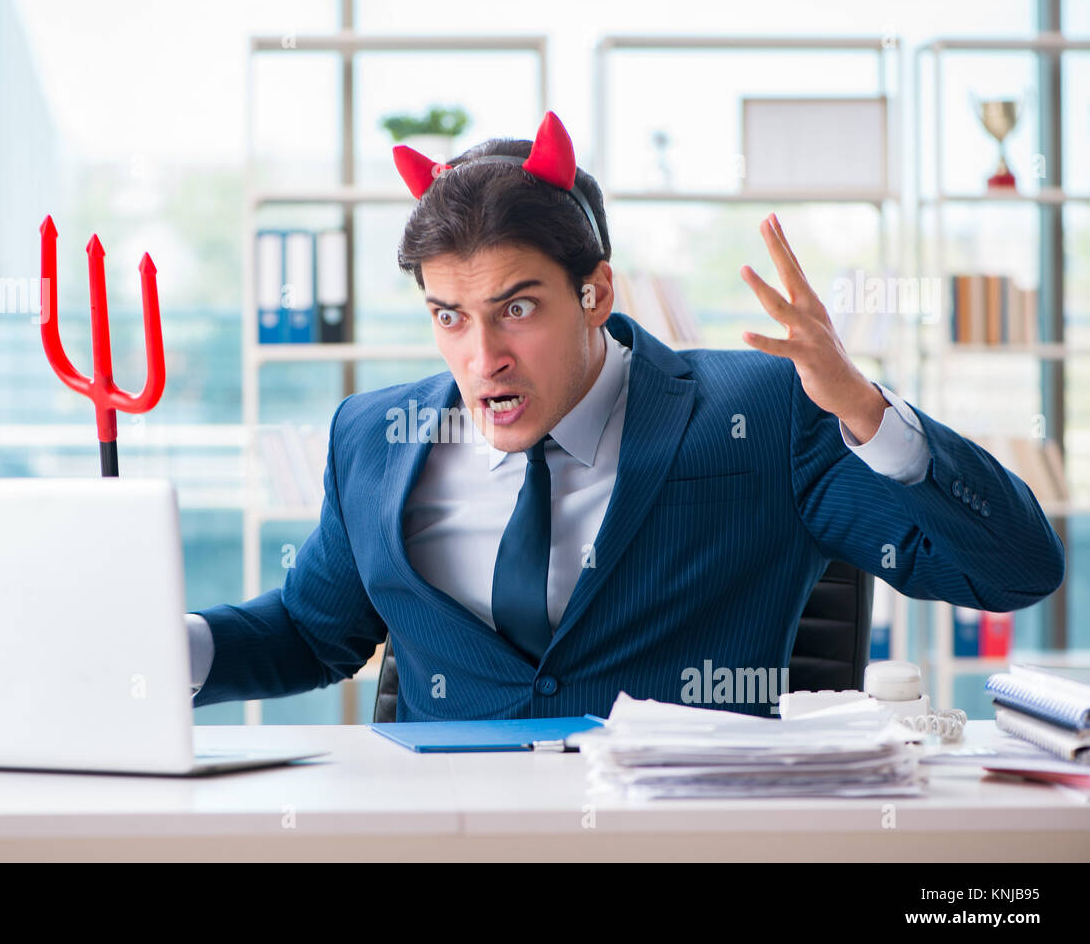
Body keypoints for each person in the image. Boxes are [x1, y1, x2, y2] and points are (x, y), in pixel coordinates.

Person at [185, 111, 1064, 720]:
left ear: (596, 290)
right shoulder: (373, 438)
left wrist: (866, 414)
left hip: (677, 838)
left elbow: (1013, 571)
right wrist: (166, 650)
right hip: (444, 833)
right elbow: (309, 633)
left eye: (517, 309)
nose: (481, 355)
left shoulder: (761, 412)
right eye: (449, 316)